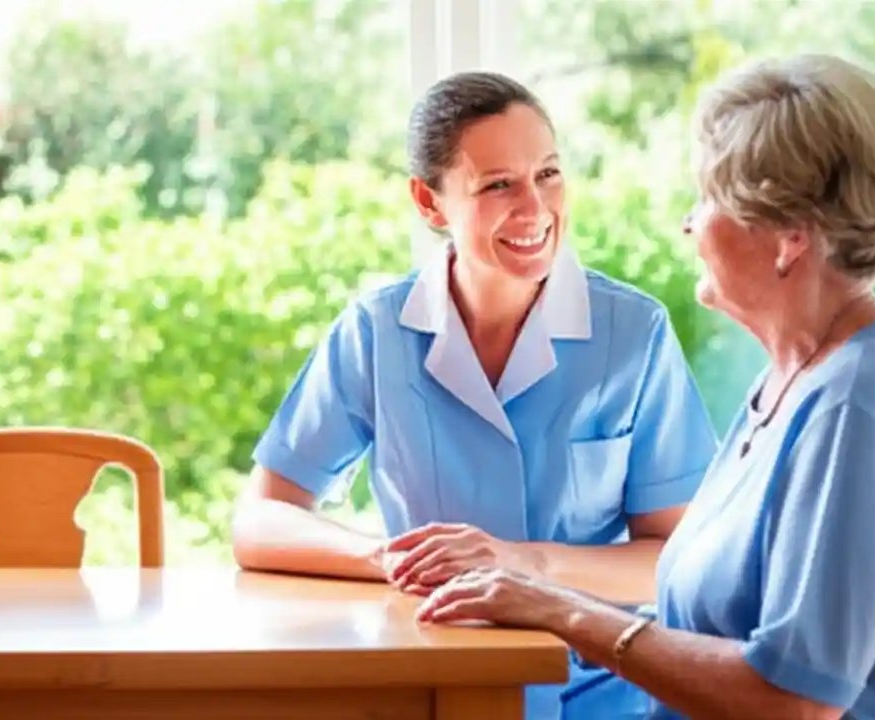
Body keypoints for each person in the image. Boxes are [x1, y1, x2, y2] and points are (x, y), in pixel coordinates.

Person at [414, 53, 875, 720]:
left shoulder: (860, 407)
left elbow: (792, 705)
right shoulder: (799, 376)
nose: (690, 224)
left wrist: (563, 610)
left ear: (789, 237)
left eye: (710, 200)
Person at [231, 71, 720, 719]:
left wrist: (522, 564)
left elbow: (675, 561)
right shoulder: (379, 330)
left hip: (598, 685)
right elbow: (260, 520)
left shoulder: (632, 333)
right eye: (498, 185)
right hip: (431, 674)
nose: (536, 208)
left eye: (548, 174)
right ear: (430, 204)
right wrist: (392, 560)